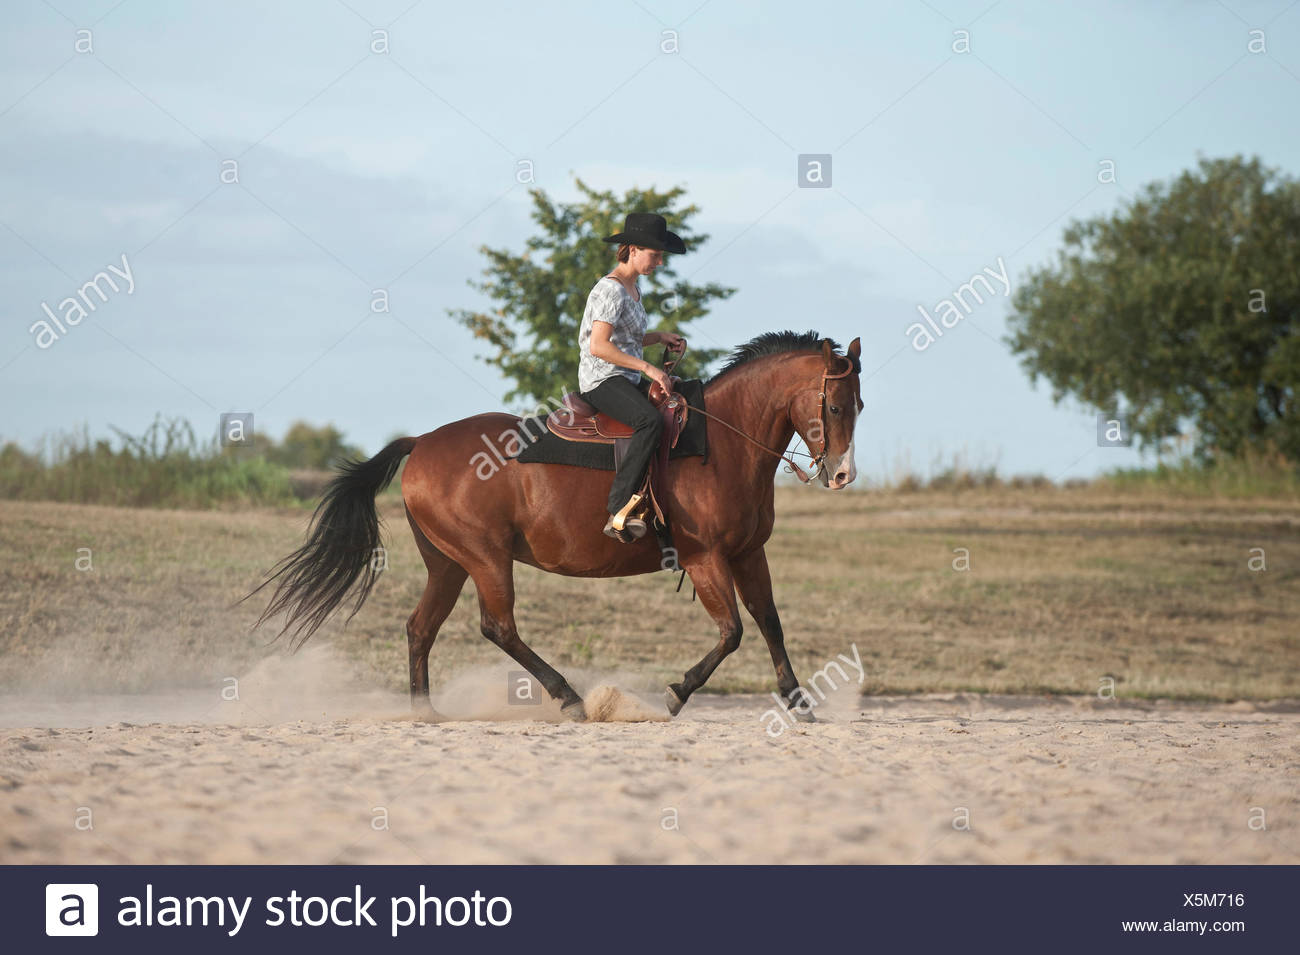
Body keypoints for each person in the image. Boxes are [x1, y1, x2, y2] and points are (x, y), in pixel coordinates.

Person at [577, 213, 687, 541]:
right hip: (602, 379)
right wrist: (648, 368)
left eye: (661, 256)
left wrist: (658, 337)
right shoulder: (610, 289)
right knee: (649, 422)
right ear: (634, 249)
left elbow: (626, 339)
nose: (660, 263)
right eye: (655, 255)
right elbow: (598, 346)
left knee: (677, 405)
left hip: (625, 376)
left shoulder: (633, 289)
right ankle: (618, 507)